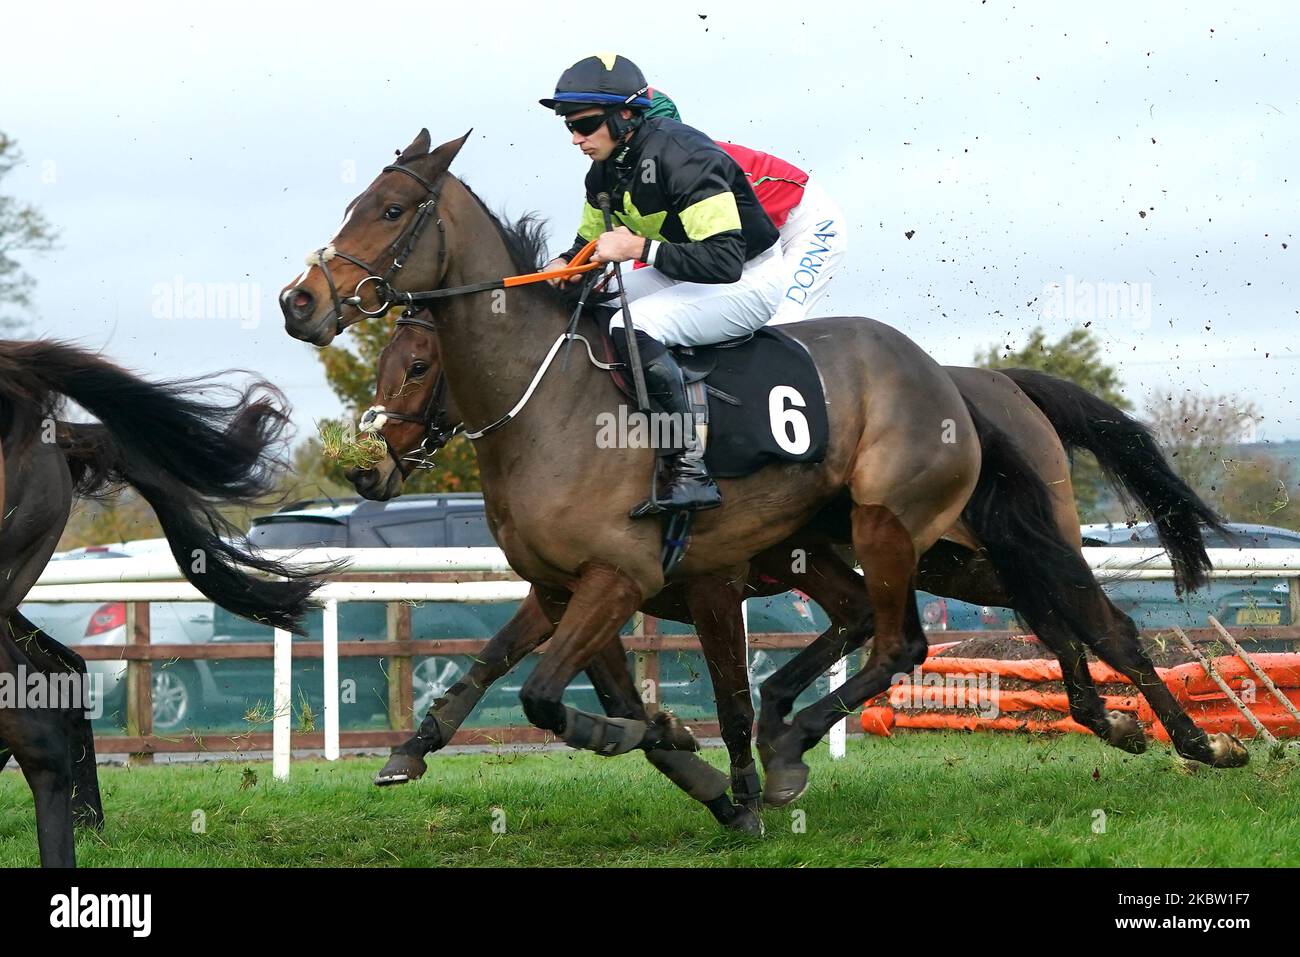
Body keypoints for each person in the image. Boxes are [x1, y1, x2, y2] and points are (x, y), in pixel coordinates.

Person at [540, 53, 785, 513]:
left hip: (749, 278)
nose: (576, 138)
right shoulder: (603, 172)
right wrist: (561, 265)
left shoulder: (687, 157)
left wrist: (638, 250)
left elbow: (724, 261)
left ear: (626, 115)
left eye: (586, 124)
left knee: (632, 327)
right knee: (585, 303)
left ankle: (689, 468)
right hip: (683, 271)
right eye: (569, 127)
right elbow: (586, 245)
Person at [642, 88, 848, 326]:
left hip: (805, 227)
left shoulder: (700, 168)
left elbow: (721, 252)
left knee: (774, 321)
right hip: (744, 244)